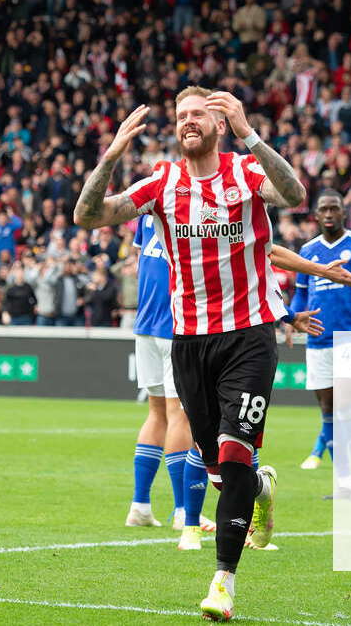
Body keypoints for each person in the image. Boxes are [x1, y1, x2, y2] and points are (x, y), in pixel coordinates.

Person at [73, 88, 351, 621]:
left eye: (198, 115)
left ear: (220, 123)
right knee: (221, 471)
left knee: (232, 452)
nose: (187, 122)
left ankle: (223, 582)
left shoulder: (244, 173)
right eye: (181, 116)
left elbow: (293, 193)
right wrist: (110, 157)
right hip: (189, 342)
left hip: (249, 337)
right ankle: (260, 489)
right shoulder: (162, 183)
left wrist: (251, 134)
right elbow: (89, 215)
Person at [128, 212, 218, 549]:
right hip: (174, 325)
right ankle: (182, 510)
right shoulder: (184, 213)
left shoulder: (147, 218)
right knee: (181, 415)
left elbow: (144, 266)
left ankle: (140, 506)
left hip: (146, 324)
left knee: (156, 413)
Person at [291, 190, 351, 477]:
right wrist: (293, 319)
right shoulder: (307, 251)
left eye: (334, 209)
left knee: (344, 404)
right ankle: (344, 480)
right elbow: (300, 295)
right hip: (317, 340)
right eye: (324, 210)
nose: (329, 214)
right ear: (316, 215)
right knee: (328, 410)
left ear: (343, 212)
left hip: (350, 338)